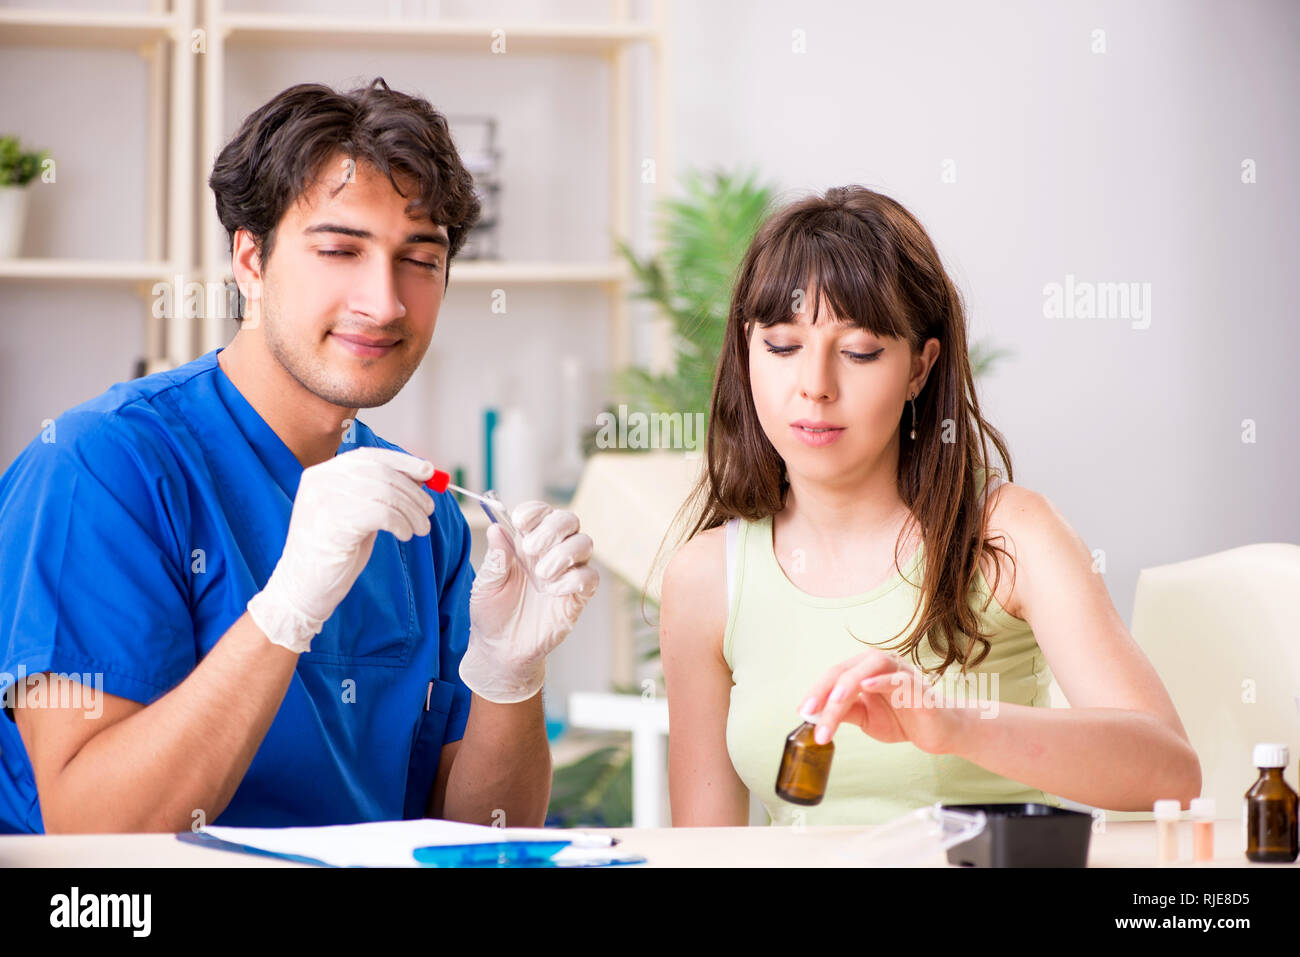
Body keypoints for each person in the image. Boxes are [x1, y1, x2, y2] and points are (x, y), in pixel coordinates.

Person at [0, 78, 598, 834]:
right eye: (341, 250)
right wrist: (287, 610)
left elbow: (480, 832)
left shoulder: (425, 516)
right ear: (249, 259)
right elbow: (93, 828)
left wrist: (511, 676)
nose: (384, 302)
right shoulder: (101, 469)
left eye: (421, 258)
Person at [658, 185, 1200, 826]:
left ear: (920, 367)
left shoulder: (1010, 536)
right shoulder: (704, 579)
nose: (814, 387)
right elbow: (706, 852)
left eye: (858, 352)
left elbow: (1170, 771)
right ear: (746, 351)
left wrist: (957, 724)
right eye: (781, 346)